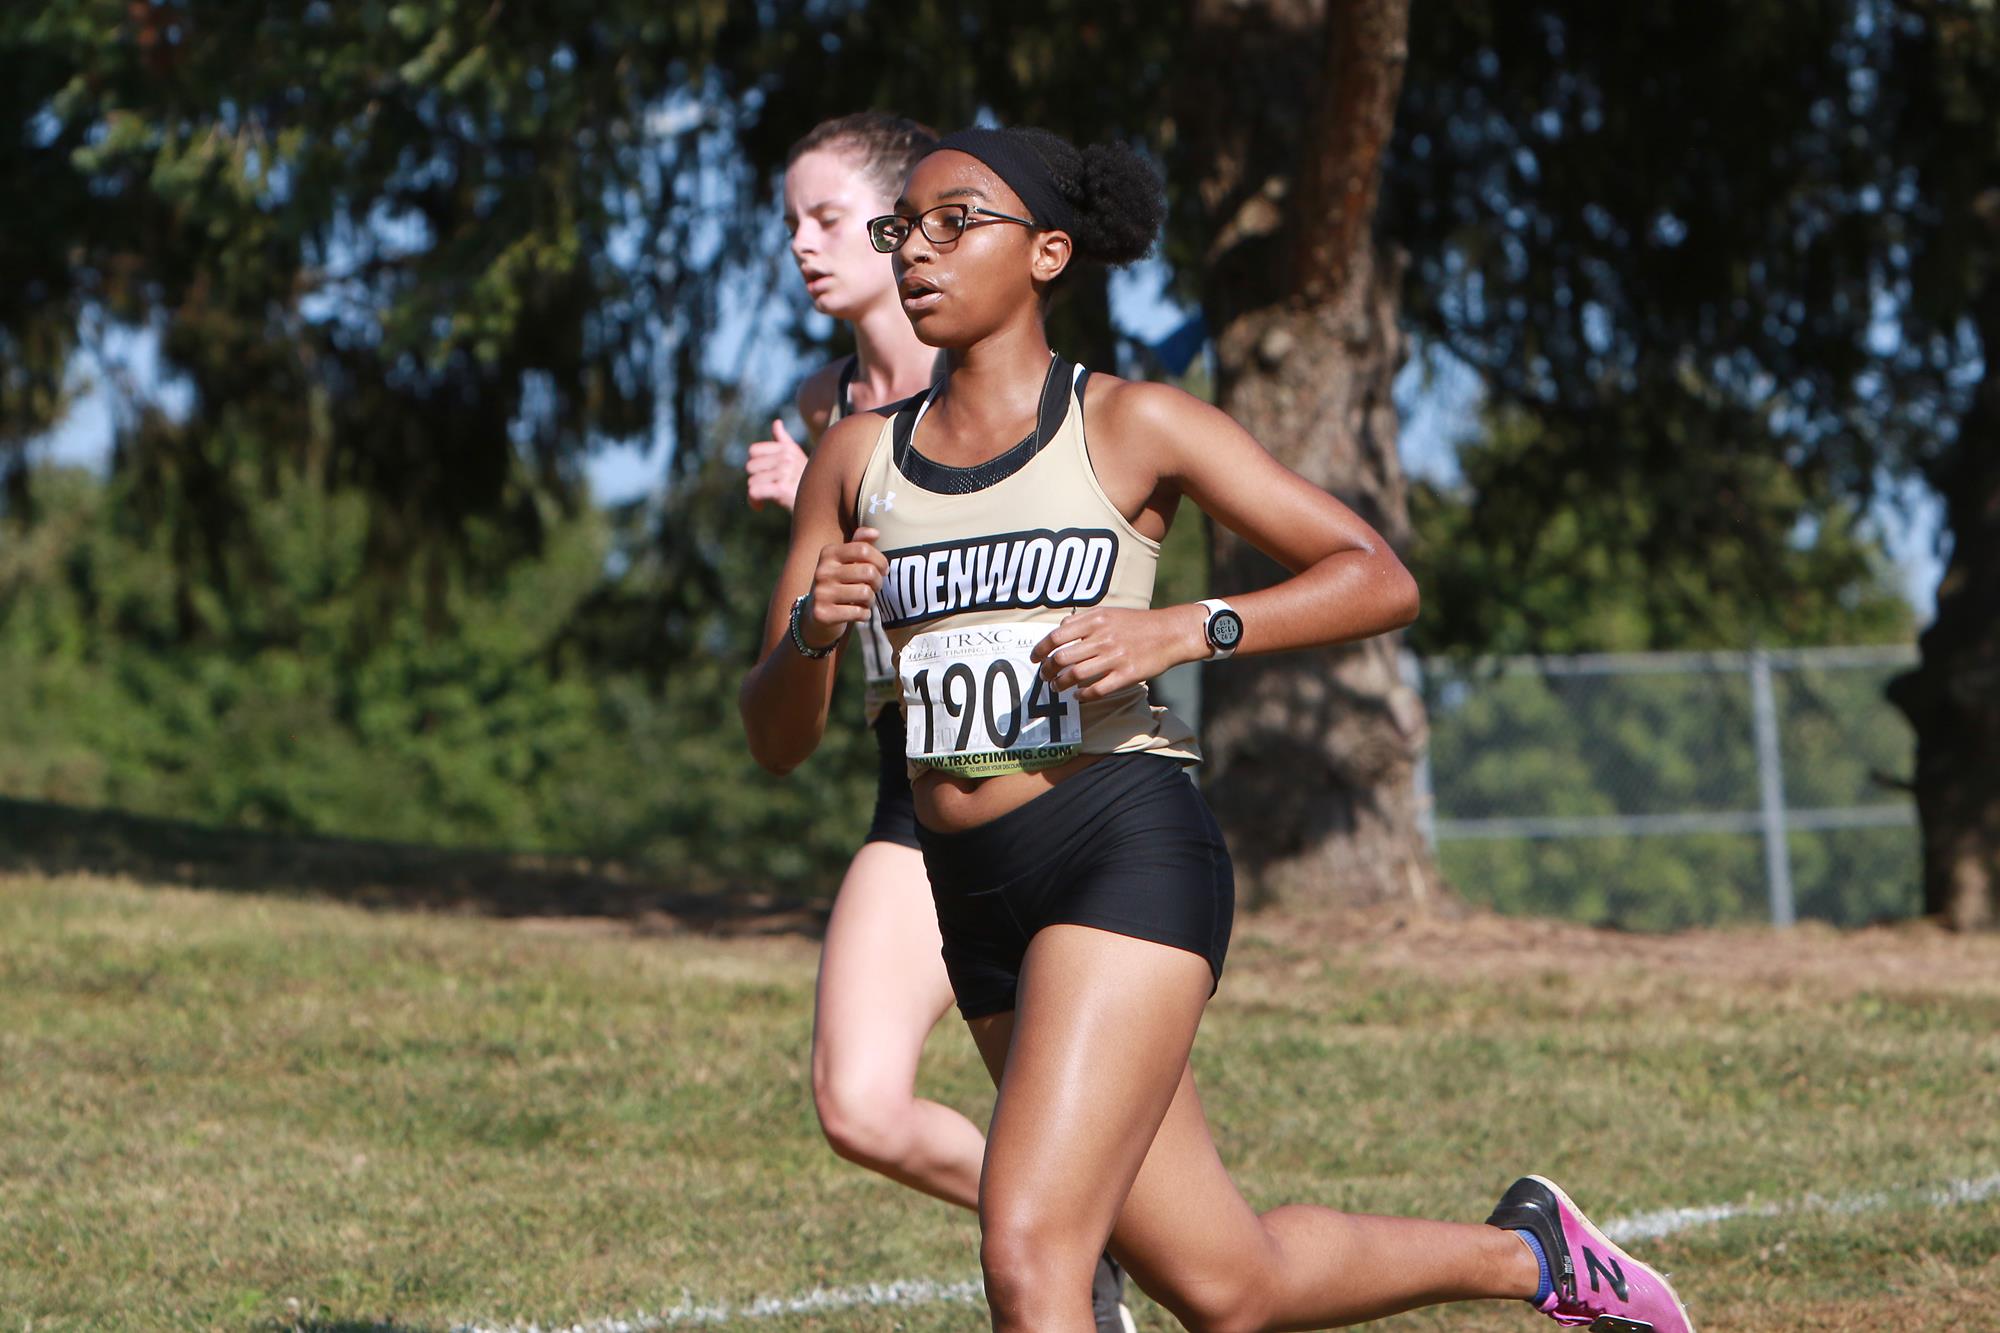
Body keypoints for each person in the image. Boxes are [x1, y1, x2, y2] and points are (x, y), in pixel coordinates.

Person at [740, 123, 1698, 1333]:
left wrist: (1185, 629)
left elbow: (1374, 574)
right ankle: (1532, 1258)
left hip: (1119, 845)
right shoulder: (851, 459)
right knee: (1224, 1284)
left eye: (952, 223)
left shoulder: (1133, 423)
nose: (914, 252)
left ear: (1046, 252)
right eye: (901, 229)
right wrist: (811, 634)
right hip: (968, 889)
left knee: (1031, 1249)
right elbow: (774, 738)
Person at [744, 113, 1133, 1331]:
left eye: (830, 218)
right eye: (792, 222)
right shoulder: (826, 407)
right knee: (856, 1103)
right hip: (909, 777)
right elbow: (826, 634)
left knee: (1226, 1277)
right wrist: (810, 538)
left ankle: (1072, 1232)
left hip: (1061, 785)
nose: (804, 245)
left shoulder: (988, 372)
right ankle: (1073, 1235)